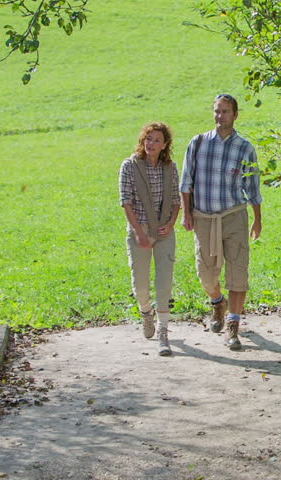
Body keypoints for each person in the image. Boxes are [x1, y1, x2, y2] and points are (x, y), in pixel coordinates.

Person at [179, 93, 262, 351]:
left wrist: (257, 220)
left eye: (225, 111)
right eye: (217, 111)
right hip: (204, 218)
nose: (220, 116)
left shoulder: (244, 148)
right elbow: (186, 183)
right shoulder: (198, 143)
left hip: (234, 216)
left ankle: (233, 327)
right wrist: (187, 213)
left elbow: (253, 188)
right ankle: (217, 302)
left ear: (235, 115)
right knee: (206, 273)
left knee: (238, 272)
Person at [119, 122, 180, 356]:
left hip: (164, 231)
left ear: (165, 145)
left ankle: (163, 333)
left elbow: (176, 199)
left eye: (156, 140)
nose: (151, 144)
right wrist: (139, 232)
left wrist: (171, 224)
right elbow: (126, 202)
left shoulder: (169, 168)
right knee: (141, 286)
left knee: (164, 285)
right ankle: (146, 312)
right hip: (140, 229)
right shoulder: (129, 166)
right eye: (148, 139)